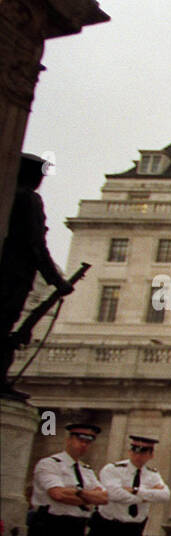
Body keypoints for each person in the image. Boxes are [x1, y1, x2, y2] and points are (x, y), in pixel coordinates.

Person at [0, 154, 73, 397]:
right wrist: (56, 281)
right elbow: (35, 244)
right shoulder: (28, 199)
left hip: (11, 272)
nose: (42, 180)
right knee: (6, 330)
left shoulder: (9, 196)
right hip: (14, 276)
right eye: (40, 175)